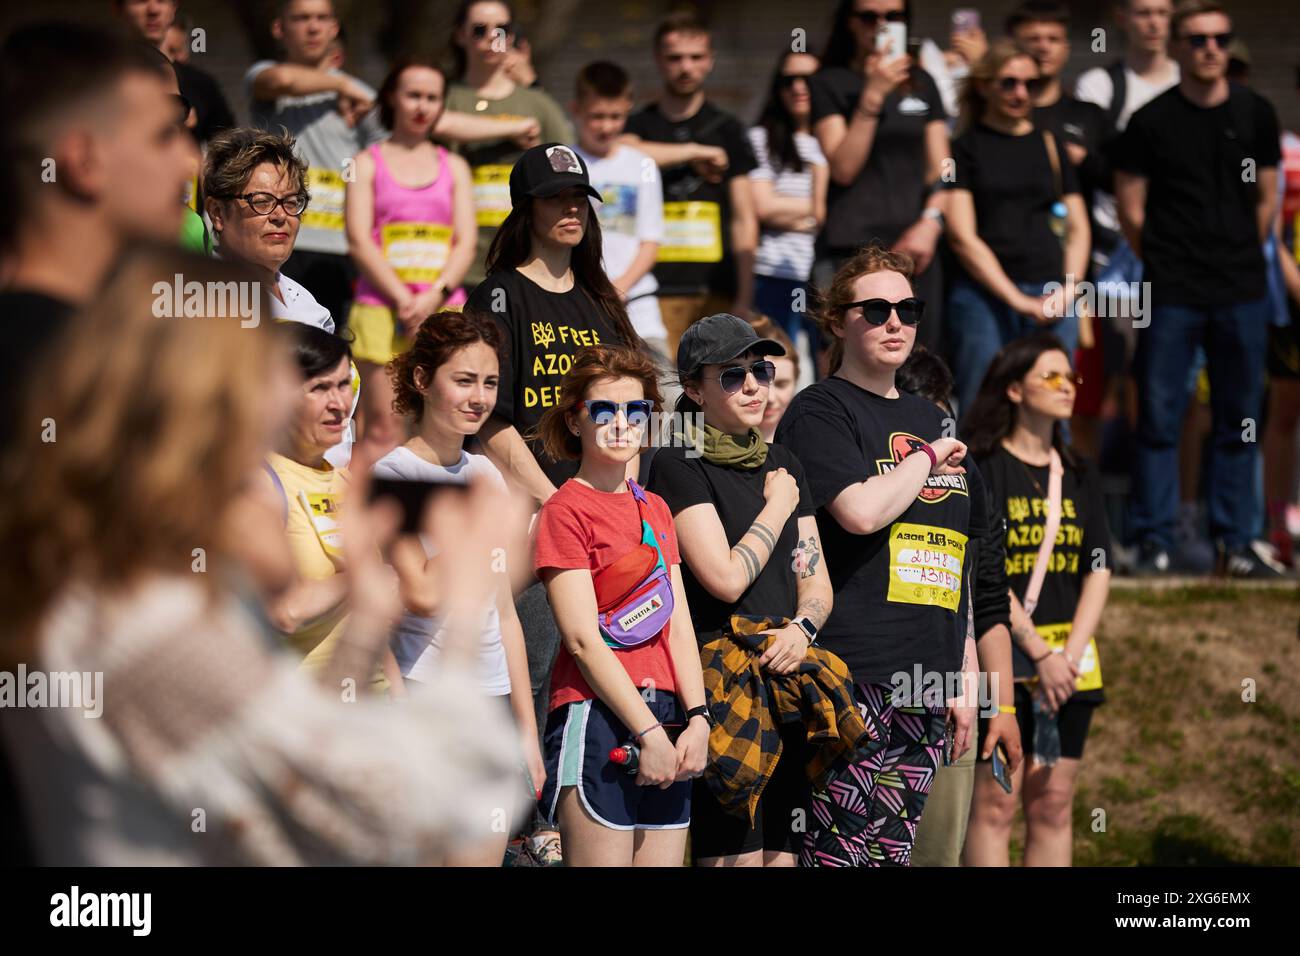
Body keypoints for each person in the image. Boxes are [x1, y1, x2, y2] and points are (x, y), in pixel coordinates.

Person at [0, 246, 531, 865]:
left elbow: (299, 746)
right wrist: (464, 600)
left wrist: (366, 608)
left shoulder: (122, 574)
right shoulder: (149, 615)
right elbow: (366, 802)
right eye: (275, 372)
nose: (328, 400)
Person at [776, 244, 973, 866]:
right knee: (838, 856)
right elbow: (860, 512)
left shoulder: (931, 419)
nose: (895, 323)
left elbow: (961, 558)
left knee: (891, 857)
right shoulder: (819, 409)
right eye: (877, 310)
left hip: (928, 676)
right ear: (837, 322)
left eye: (908, 310)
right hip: (853, 672)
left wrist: (965, 673)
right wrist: (926, 459)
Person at [647, 313, 836, 866]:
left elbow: (815, 579)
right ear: (693, 390)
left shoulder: (785, 462)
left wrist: (803, 629)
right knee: (734, 856)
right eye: (733, 375)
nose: (755, 386)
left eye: (762, 370)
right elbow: (725, 580)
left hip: (788, 675)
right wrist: (778, 506)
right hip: (723, 683)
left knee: (783, 854)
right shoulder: (677, 462)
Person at [1112, 0, 1281, 577]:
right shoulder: (1150, 121)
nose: (1212, 49)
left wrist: (1234, 252)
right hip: (1172, 291)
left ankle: (1238, 543)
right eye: (1199, 39)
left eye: (1220, 39)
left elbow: (1266, 200)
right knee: (1160, 417)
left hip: (1241, 289)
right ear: (1179, 47)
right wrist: (1169, 259)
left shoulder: (1256, 111)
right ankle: (1155, 540)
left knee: (1240, 416)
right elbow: (1131, 210)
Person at [374, 310, 546, 865]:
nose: (479, 398)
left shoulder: (486, 473)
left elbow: (504, 615)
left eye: (490, 383)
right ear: (422, 380)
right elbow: (416, 592)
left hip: (490, 701)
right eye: (464, 380)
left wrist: (525, 730)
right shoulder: (394, 475)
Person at [533, 345, 709, 865]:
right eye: (603, 410)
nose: (621, 423)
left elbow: (679, 624)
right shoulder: (564, 510)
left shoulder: (656, 507)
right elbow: (582, 640)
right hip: (597, 713)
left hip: (670, 715)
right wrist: (647, 732)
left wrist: (699, 718)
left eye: (636, 410)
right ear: (575, 419)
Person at [0, 19, 194, 452]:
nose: (189, 161)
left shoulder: (105, 336)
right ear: (85, 162)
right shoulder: (61, 366)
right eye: (163, 137)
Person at [960, 333, 1112, 867]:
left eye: (1070, 376)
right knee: (995, 807)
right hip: (1004, 657)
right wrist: (1040, 654)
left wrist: (1067, 656)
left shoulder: (1080, 472)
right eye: (1050, 376)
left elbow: (1099, 568)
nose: (1066, 386)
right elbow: (984, 573)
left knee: (1053, 805)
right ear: (1014, 390)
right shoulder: (982, 466)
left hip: (1069, 667)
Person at [895, 347, 1023, 868]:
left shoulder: (968, 477)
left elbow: (989, 599)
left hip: (951, 698)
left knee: (935, 857)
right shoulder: (853, 467)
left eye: (941, 420)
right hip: (867, 691)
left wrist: (1003, 707)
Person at [945, 39, 1091, 416]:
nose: (1020, 93)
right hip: (984, 299)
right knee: (983, 409)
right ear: (984, 86)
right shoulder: (962, 148)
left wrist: (1070, 288)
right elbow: (962, 236)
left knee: (1054, 410)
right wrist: (1018, 301)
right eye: (1008, 82)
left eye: (1031, 84)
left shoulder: (1050, 143)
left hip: (1054, 294)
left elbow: (1078, 226)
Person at [257, 321, 402, 695]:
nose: (339, 404)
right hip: (306, 712)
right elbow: (285, 611)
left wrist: (399, 700)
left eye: (344, 384)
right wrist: (362, 577)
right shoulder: (260, 484)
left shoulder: (347, 483)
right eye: (320, 388)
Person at [203, 127, 361, 469]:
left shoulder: (309, 306)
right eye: (261, 202)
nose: (280, 216)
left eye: (291, 202)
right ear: (217, 213)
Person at [345, 56, 477, 459]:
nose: (423, 106)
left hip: (443, 311)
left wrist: (433, 297)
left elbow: (465, 243)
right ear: (392, 97)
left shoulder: (456, 166)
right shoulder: (362, 164)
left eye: (432, 97)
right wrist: (405, 300)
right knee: (381, 428)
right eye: (413, 95)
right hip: (380, 311)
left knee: (443, 430)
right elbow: (358, 240)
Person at [809, 0, 951, 358]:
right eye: (868, 16)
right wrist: (872, 95)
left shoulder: (922, 82)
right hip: (850, 249)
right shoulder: (829, 82)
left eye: (893, 16)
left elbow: (945, 169)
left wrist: (931, 222)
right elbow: (844, 167)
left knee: (919, 363)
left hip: (915, 250)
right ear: (850, 22)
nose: (881, 25)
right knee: (850, 360)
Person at [621, 11, 759, 353]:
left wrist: (745, 296)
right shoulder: (638, 126)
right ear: (658, 59)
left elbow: (744, 218)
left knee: (715, 382)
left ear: (710, 60)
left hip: (716, 288)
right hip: (651, 291)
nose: (686, 67)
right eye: (675, 58)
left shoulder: (729, 129)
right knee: (660, 385)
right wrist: (693, 151)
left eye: (696, 57)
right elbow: (620, 150)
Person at [246, 0, 386, 330]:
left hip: (342, 246)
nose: (313, 27)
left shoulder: (364, 97)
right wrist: (339, 83)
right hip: (280, 238)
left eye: (322, 18)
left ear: (334, 28)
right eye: (301, 18)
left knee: (332, 346)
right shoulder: (264, 76)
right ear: (279, 28)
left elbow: (388, 157)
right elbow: (282, 79)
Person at [444, 0, 575, 290]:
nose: (493, 37)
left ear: (513, 36)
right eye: (479, 30)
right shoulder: (443, 96)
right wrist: (512, 128)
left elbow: (570, 173)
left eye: (502, 29)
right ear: (460, 35)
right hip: (455, 268)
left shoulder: (539, 103)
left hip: (528, 264)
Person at [570, 61, 672, 362]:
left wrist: (618, 289)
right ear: (576, 109)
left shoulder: (643, 165)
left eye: (615, 116)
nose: (607, 127)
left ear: (628, 109)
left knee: (665, 385)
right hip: (578, 304)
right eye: (597, 116)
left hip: (638, 307)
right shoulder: (564, 161)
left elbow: (650, 241)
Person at [748, 48, 828, 375]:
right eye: (789, 80)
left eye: (808, 79)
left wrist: (792, 211)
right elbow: (763, 207)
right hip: (773, 274)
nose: (798, 87)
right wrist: (818, 213)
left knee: (829, 372)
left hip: (827, 275)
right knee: (774, 372)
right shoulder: (760, 138)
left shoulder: (836, 139)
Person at [1262, 72, 1300, 568]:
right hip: (1291, 304)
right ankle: (1277, 524)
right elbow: (1270, 231)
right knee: (1284, 411)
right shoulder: (1285, 151)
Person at [116, 0, 236, 145]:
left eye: (161, 0)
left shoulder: (202, 84)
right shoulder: (100, 79)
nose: (153, 10)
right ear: (118, 8)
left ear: (174, 7)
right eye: (141, 0)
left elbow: (227, 147)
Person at [746, 314, 800, 438]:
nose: (770, 398)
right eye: (760, 381)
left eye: (781, 385)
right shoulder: (701, 439)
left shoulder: (810, 437)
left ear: (795, 382)